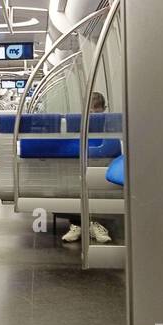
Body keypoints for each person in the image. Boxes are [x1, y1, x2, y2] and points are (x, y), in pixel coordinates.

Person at [63, 91, 112, 244]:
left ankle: (97, 225)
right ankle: (77, 225)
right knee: (75, 188)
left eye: (97, 111)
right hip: (83, 161)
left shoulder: (109, 125)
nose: (94, 115)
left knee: (100, 191)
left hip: (102, 161)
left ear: (104, 109)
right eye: (91, 111)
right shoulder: (79, 125)